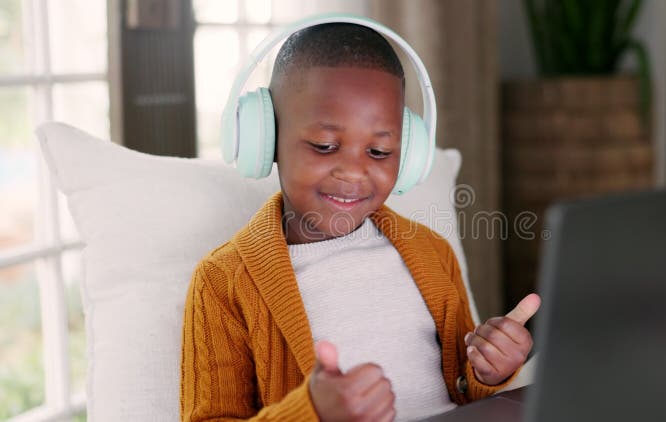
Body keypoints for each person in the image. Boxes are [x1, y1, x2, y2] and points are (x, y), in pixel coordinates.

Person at [180, 21, 541, 422]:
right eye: (324, 146)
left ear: (409, 156)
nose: (353, 173)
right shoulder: (222, 281)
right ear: (265, 139)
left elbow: (462, 389)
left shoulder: (432, 253)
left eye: (380, 151)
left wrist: (488, 370)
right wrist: (311, 412)